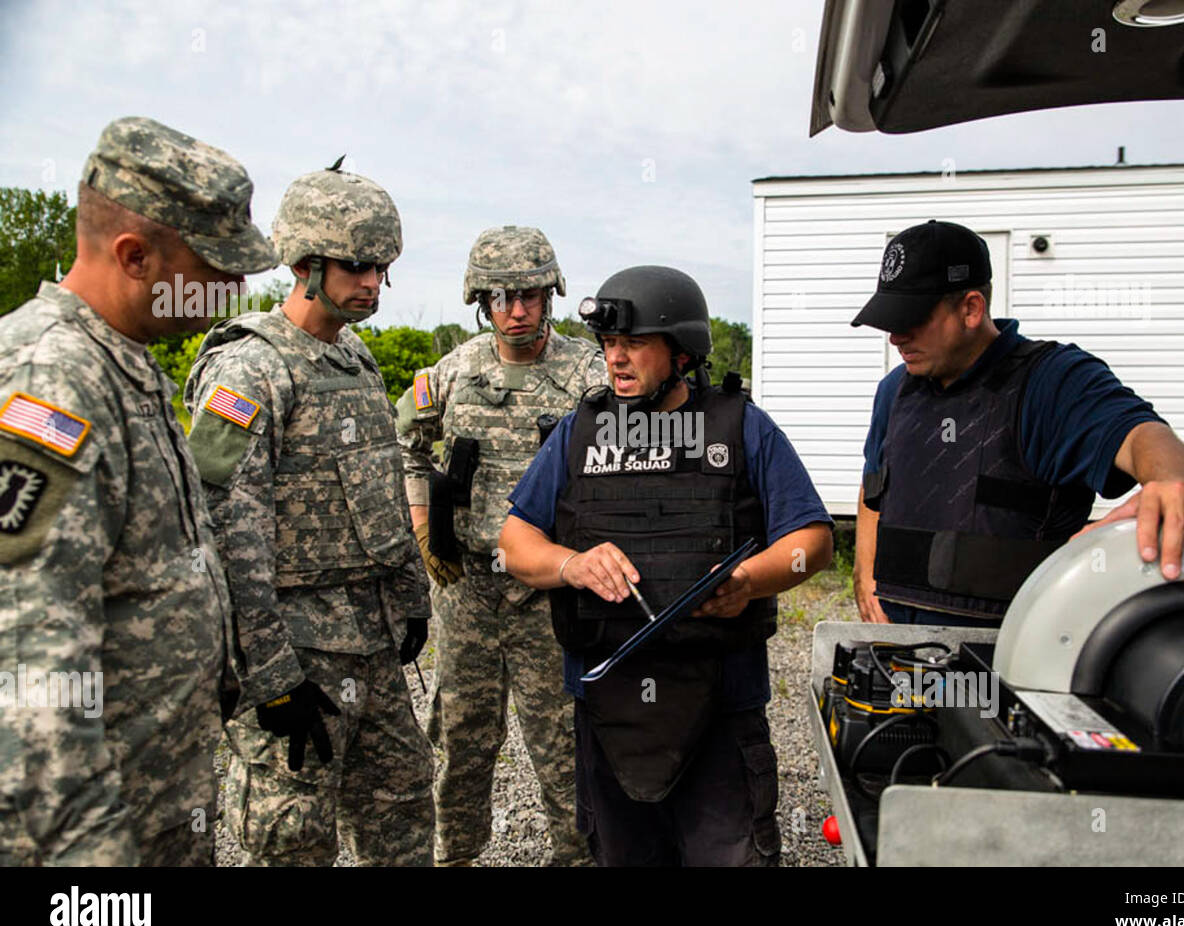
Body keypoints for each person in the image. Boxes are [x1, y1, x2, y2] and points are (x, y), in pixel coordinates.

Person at [0, 116, 278, 865]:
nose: (235, 291)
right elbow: (30, 680)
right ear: (134, 255)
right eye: (217, 268)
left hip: (158, 804)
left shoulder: (126, 363)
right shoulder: (53, 381)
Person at [497, 265, 833, 867]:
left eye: (632, 344)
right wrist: (572, 564)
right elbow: (516, 543)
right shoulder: (580, 431)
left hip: (721, 704)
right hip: (608, 705)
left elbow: (812, 540)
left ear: (680, 352)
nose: (615, 359)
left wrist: (748, 581)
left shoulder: (740, 426)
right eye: (608, 345)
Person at [184, 160, 435, 866]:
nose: (372, 282)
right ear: (304, 261)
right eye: (357, 265)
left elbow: (381, 486)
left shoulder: (355, 360)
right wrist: (267, 679)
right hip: (295, 655)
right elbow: (222, 530)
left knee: (404, 804)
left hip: (372, 641)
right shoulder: (249, 370)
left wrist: (412, 599)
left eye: (382, 266)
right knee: (293, 834)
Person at [851, 219, 1184, 627]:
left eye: (911, 319)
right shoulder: (895, 391)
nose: (895, 337)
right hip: (895, 656)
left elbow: (1143, 435)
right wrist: (863, 570)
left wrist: (1176, 484)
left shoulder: (1052, 382)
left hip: (1012, 658)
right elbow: (875, 485)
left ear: (970, 309)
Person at [395, 225, 604, 866]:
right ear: (480, 299)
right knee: (460, 739)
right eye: (502, 296)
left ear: (551, 296)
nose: (517, 310)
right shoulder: (454, 373)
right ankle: (454, 856)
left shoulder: (588, 377)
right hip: (469, 590)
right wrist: (425, 530)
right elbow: (407, 444)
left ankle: (575, 856)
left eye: (531, 296)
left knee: (563, 740)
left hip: (550, 591)